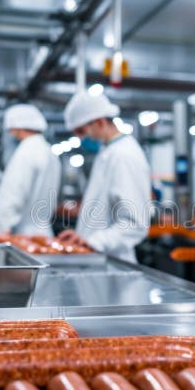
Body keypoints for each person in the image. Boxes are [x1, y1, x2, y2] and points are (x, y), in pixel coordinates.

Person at [58, 92, 151, 263]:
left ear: (100, 122)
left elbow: (135, 225)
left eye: (81, 131)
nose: (80, 138)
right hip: (98, 259)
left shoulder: (124, 156)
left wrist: (95, 241)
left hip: (114, 262)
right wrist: (81, 236)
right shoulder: (107, 152)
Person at [0, 103, 61, 236]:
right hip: (43, 233)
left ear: (17, 127)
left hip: (22, 235)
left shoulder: (26, 152)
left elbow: (12, 195)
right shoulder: (49, 152)